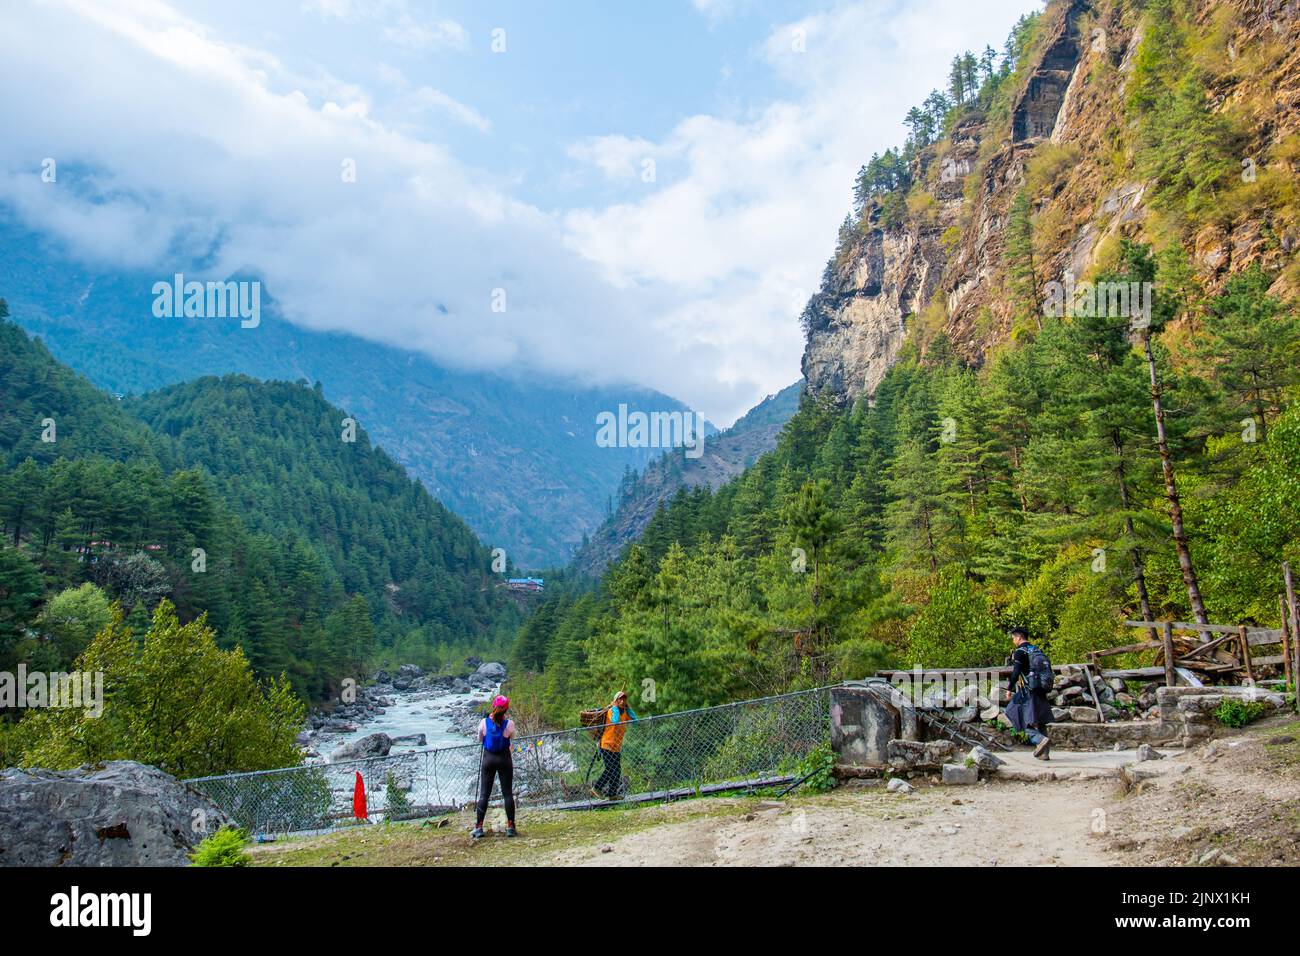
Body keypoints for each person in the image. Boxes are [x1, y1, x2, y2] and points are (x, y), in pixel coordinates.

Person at [472, 695, 518, 838]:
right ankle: (510, 826)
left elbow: (480, 738)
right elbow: (512, 737)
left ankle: (479, 827)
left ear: (493, 706)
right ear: (506, 709)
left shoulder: (484, 722)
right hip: (504, 758)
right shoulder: (509, 724)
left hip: (488, 758)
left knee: (484, 794)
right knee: (507, 794)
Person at [1004, 627, 1053, 760]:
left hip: (1027, 690)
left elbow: (1016, 671)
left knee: (1013, 712)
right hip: (1040, 688)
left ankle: (1038, 739)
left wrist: (1009, 688)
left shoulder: (1020, 651)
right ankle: (1044, 753)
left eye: (1013, 638)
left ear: (1019, 637)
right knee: (1040, 720)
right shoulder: (1036, 649)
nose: (1013, 640)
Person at [591, 690, 637, 800]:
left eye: (624, 699)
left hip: (616, 747)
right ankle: (597, 788)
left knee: (617, 771)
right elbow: (615, 721)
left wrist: (629, 710)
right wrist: (615, 707)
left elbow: (635, 721)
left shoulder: (625, 712)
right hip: (607, 745)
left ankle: (612, 794)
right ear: (616, 700)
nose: (622, 700)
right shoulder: (611, 711)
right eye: (620, 699)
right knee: (610, 769)